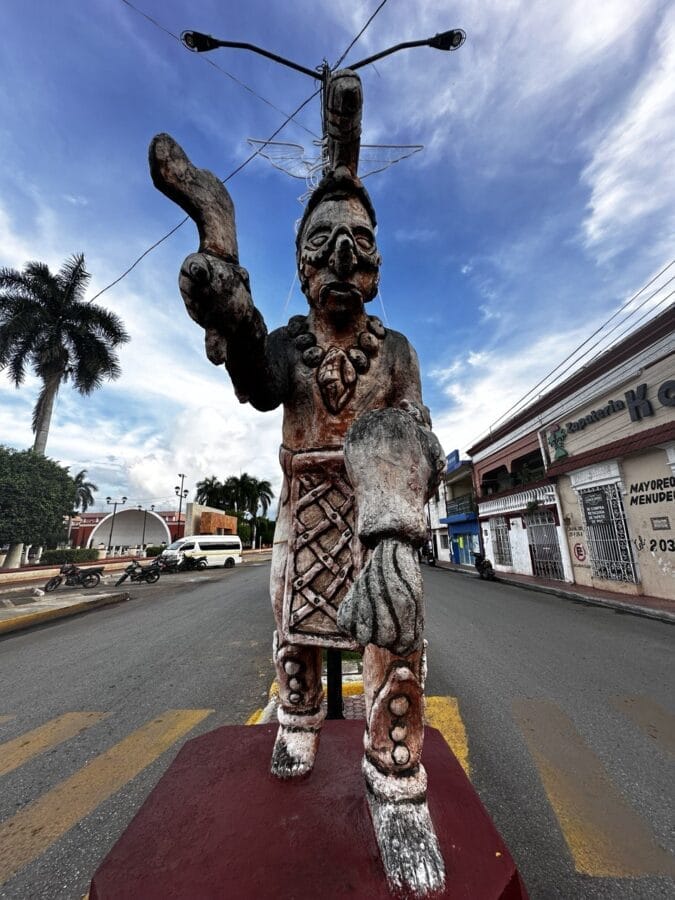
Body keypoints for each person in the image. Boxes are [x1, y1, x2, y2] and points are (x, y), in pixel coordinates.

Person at [149, 69, 446, 894]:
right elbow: (253, 378)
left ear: (380, 260)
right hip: (303, 504)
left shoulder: (396, 351)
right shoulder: (289, 341)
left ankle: (394, 776)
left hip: (376, 514)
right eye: (323, 244)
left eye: (359, 241)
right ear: (299, 263)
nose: (343, 257)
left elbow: (418, 429)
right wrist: (228, 300)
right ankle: (299, 719)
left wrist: (394, 502)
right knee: (291, 617)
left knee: (394, 628)